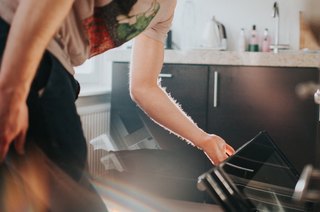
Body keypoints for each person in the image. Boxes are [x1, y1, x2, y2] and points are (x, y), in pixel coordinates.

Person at [0, 0, 235, 210]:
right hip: (19, 43)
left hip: (55, 64)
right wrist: (12, 89)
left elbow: (144, 87)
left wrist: (203, 139)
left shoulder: (165, 9)